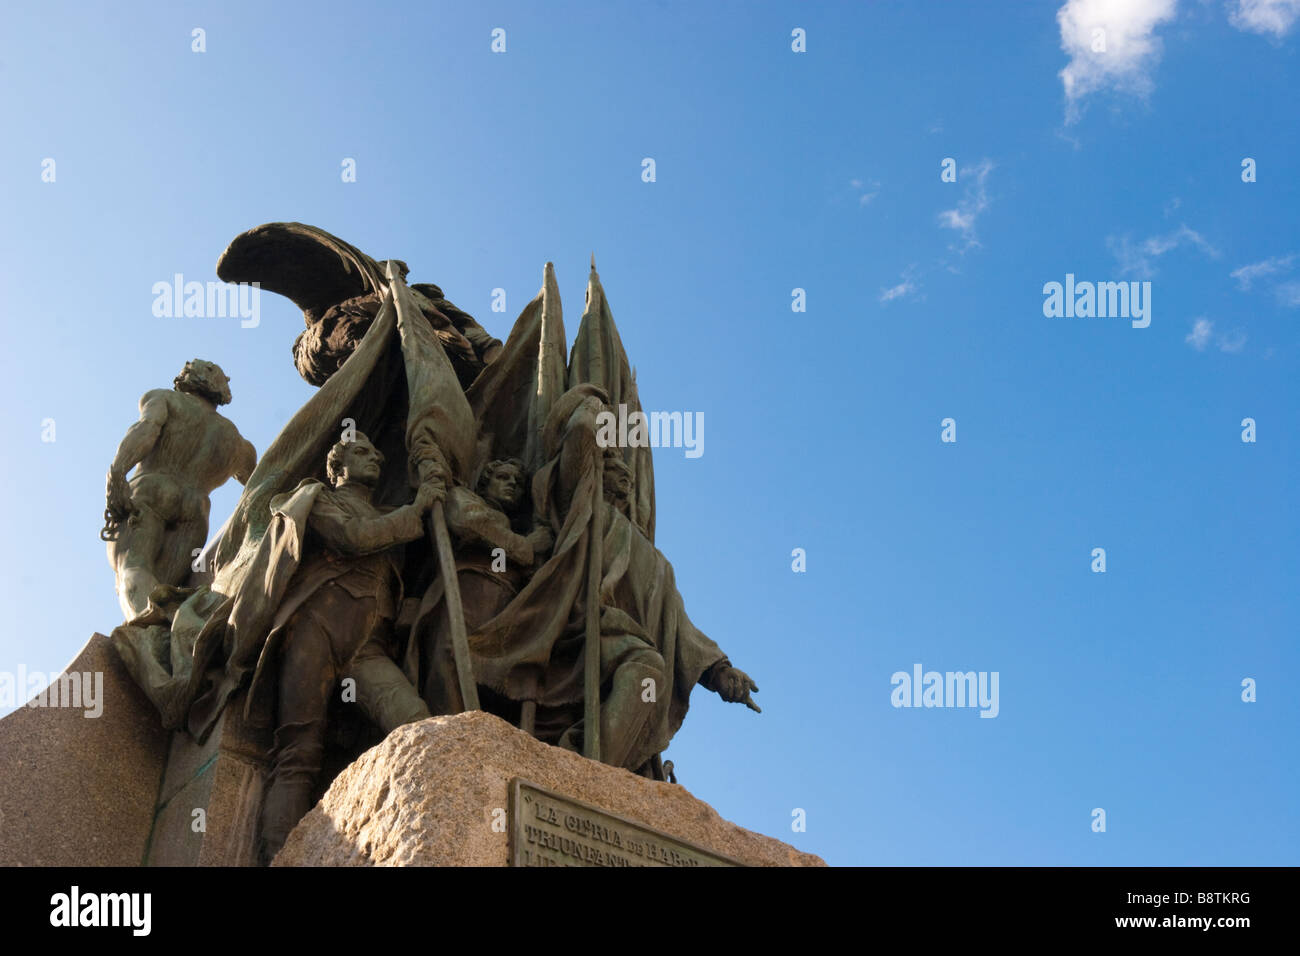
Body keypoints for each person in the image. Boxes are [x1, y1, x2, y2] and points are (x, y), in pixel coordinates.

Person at [104, 359, 256, 620]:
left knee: (133, 569)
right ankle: (172, 641)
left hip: (150, 494)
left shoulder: (165, 399)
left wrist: (117, 471)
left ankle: (144, 638)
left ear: (187, 377)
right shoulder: (238, 443)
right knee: (167, 593)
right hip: (195, 514)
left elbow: (147, 430)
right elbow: (260, 484)